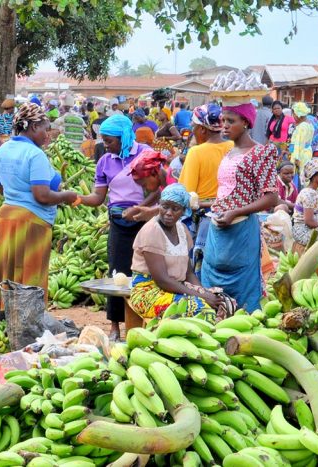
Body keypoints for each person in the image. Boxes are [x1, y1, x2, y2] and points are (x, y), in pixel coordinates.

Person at [78, 114, 158, 340]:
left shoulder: (144, 153)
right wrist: (76, 198)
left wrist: (141, 208)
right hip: (118, 220)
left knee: (144, 271)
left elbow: (158, 188)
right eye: (103, 140)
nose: (105, 145)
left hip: (145, 219)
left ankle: (144, 321)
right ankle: (115, 325)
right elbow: (97, 196)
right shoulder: (105, 160)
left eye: (109, 140)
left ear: (124, 137)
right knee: (117, 273)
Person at [0, 103, 80, 295]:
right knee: (30, 275)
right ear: (33, 127)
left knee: (8, 274)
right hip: (31, 222)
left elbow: (1, 189)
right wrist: (67, 196)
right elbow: (42, 195)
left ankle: (5, 317)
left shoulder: (2, 150)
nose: (47, 135)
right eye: (45, 129)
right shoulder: (35, 154)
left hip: (6, 219)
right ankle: (28, 322)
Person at [201, 102, 280, 312]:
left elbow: (271, 198)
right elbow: (227, 192)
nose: (224, 126)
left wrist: (236, 212)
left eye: (231, 121)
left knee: (243, 288)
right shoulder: (230, 151)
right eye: (223, 121)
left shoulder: (259, 153)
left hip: (241, 230)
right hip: (219, 230)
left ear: (246, 122)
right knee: (212, 285)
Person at [129, 184, 224, 320]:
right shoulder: (152, 231)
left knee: (222, 303)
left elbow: (188, 273)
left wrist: (204, 292)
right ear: (159, 205)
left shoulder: (182, 230)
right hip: (148, 292)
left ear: (184, 211)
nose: (168, 212)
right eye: (165, 206)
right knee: (199, 308)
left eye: (175, 209)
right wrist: (201, 296)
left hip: (175, 288)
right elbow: (162, 280)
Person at [179, 103, 232, 258]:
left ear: (202, 129)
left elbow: (187, 193)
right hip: (233, 213)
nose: (193, 131)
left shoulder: (196, 152)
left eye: (194, 127)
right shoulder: (233, 146)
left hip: (205, 219)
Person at [291, 158, 318, 253]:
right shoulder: (308, 193)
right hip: (304, 232)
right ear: (314, 176)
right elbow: (309, 221)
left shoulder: (315, 191)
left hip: (309, 229)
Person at [290, 102, 315, 184]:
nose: (293, 116)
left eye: (293, 114)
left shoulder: (302, 127)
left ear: (297, 115)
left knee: (299, 176)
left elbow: (298, 143)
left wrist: (296, 157)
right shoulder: (310, 124)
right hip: (307, 152)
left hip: (300, 154)